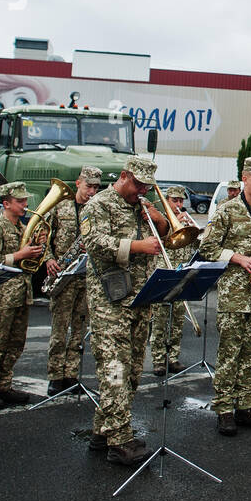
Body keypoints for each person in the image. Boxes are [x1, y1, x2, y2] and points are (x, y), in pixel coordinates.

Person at [82, 156, 166, 466]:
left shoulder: (141, 205)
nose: (142, 191)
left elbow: (163, 236)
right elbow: (92, 241)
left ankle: (101, 432)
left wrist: (159, 221)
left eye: (147, 186)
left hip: (140, 299)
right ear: (123, 176)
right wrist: (136, 246)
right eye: (138, 184)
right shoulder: (99, 204)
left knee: (130, 372)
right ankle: (119, 440)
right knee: (114, 370)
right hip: (111, 302)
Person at [197, 156, 251, 436]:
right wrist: (238, 258)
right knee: (229, 354)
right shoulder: (226, 210)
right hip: (234, 295)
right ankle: (223, 409)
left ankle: (244, 405)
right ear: (244, 179)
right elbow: (206, 249)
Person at [0, 182, 46, 410]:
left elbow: (30, 263)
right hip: (1, 297)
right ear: (6, 203)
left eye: (26, 201)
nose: (25, 205)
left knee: (15, 343)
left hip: (20, 293)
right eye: (20, 201)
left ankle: (4, 385)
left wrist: (38, 248)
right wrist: (20, 254)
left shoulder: (21, 227)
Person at [44, 165, 101, 394]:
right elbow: (42, 235)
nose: (92, 192)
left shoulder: (96, 209)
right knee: (60, 329)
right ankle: (55, 376)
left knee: (79, 329)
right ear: (78, 183)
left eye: (97, 187)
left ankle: (71, 376)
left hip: (86, 277)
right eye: (89, 187)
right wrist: (48, 259)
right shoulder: (60, 206)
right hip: (62, 273)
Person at [149, 184, 200, 376]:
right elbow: (156, 242)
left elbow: (197, 244)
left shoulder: (185, 218)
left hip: (182, 271)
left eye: (181, 200)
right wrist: (173, 224)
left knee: (177, 320)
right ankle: (158, 360)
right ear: (167, 201)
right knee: (161, 320)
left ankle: (173, 358)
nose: (179, 204)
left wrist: (194, 230)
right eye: (174, 200)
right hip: (165, 271)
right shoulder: (158, 220)